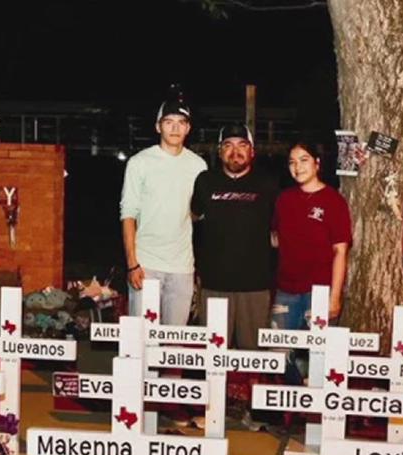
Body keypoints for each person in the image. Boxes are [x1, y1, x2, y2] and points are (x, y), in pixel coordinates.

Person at [120, 85, 207, 325]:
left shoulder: (199, 166)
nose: (175, 127)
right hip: (146, 265)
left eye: (181, 122)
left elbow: (198, 214)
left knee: (174, 343)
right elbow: (128, 214)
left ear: (188, 128)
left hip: (182, 268)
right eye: (169, 121)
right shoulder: (140, 163)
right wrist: (132, 264)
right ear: (158, 126)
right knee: (141, 340)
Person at [270, 141, 353, 383]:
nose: (297, 167)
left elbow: (340, 252)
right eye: (292, 162)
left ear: (317, 164)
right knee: (278, 353)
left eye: (304, 160)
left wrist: (335, 296)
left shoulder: (334, 201)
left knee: (315, 357)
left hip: (318, 292)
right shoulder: (284, 199)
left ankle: (313, 413)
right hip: (286, 290)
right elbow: (275, 239)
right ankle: (291, 405)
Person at [190, 124, 276, 349]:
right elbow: (190, 218)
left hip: (255, 287)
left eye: (242, 145)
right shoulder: (205, 181)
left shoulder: (268, 184)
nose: (234, 151)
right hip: (214, 284)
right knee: (213, 358)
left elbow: (281, 230)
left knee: (254, 359)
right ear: (220, 151)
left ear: (252, 151)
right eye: (228, 145)